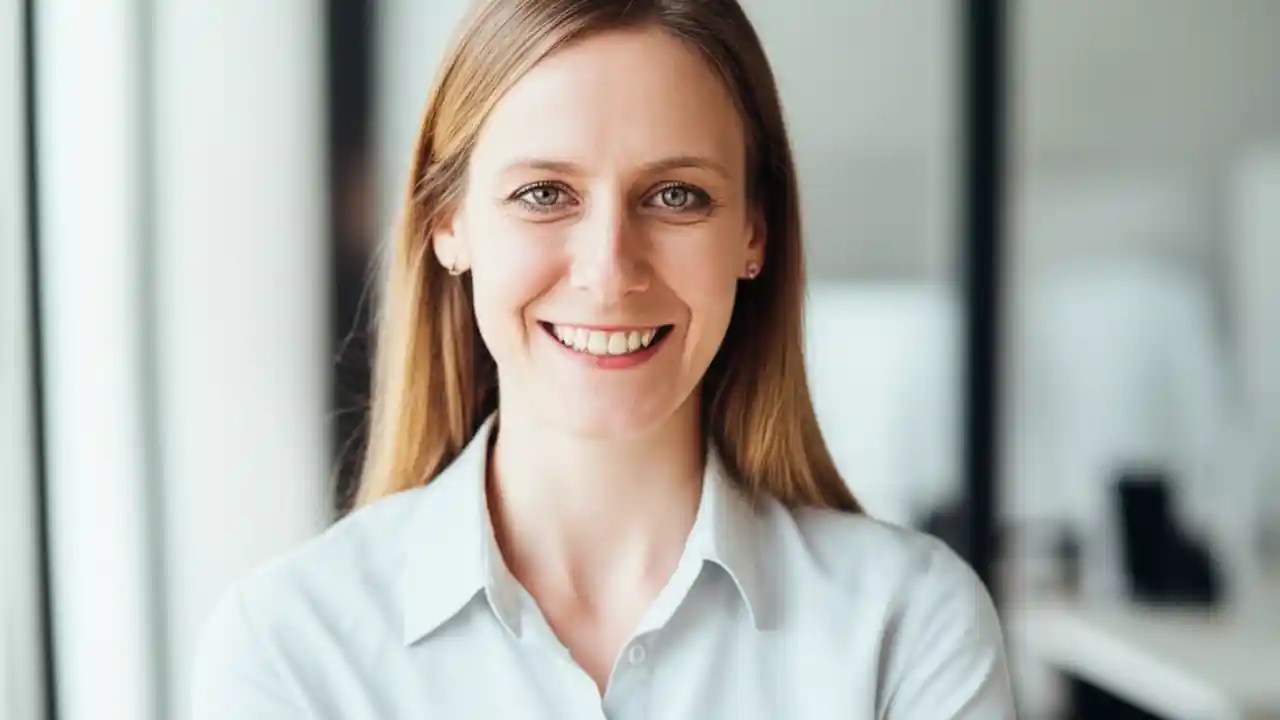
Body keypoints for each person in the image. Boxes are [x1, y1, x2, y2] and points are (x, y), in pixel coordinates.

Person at [192, 0, 1014, 717]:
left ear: (753, 233)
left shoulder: (907, 627)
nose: (610, 271)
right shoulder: (292, 646)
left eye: (676, 195)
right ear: (449, 223)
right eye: (544, 194)